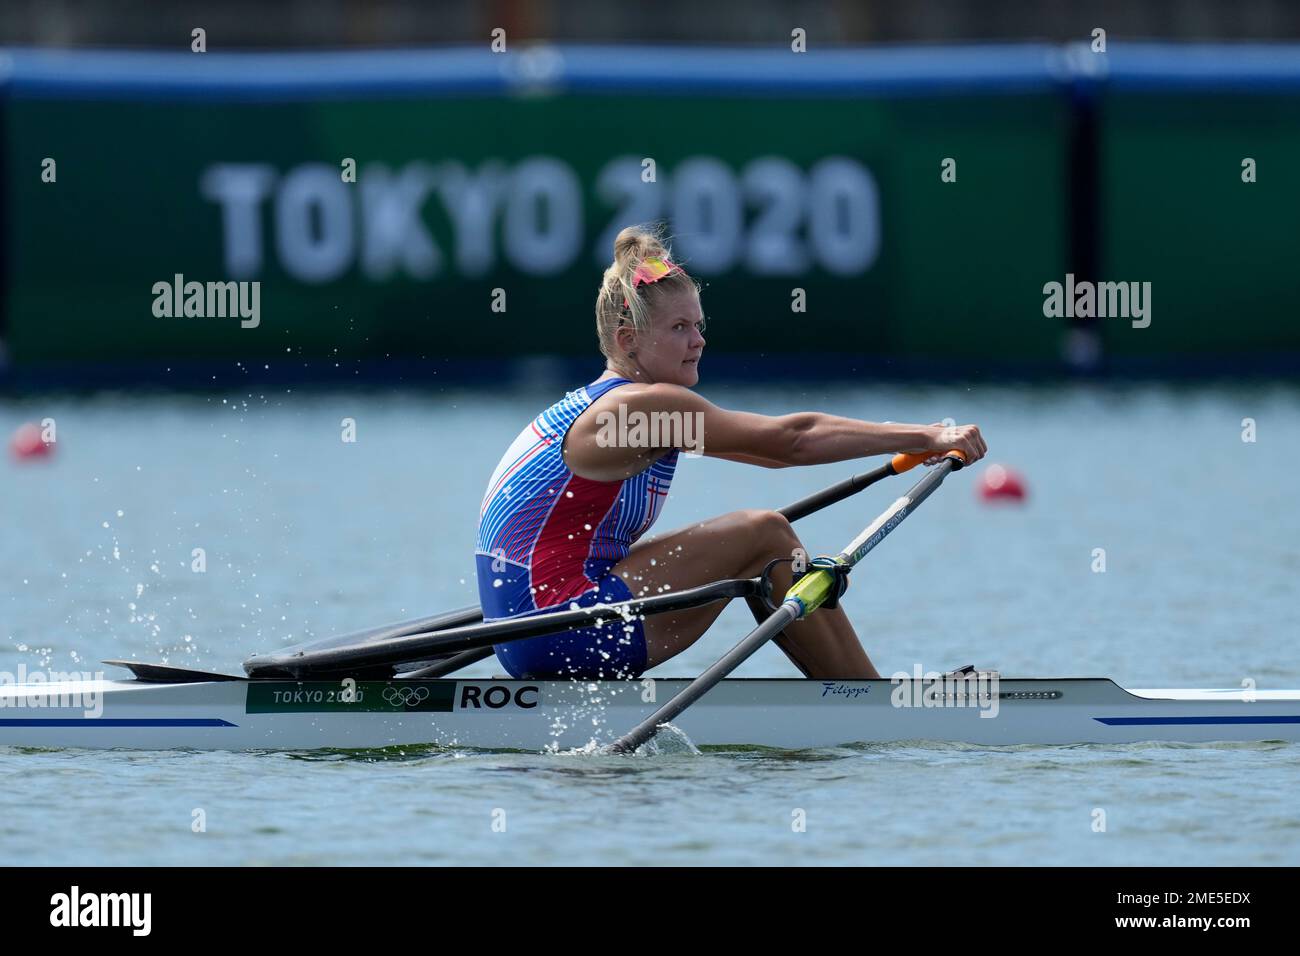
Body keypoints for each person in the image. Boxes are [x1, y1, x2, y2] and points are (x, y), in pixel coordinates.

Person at [475, 224, 986, 681]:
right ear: (628, 339)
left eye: (698, 325)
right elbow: (788, 443)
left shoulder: (593, 406)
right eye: (679, 328)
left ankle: (849, 690)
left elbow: (775, 451)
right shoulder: (636, 412)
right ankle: (868, 698)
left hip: (531, 631)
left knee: (752, 541)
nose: (698, 341)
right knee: (763, 536)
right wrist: (927, 436)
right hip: (558, 628)